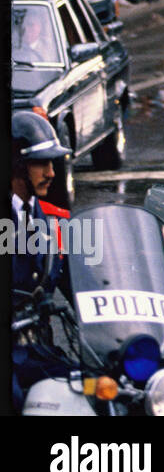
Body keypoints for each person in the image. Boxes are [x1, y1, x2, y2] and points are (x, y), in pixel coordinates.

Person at [10, 111, 74, 409]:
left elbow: (84, 289)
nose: (51, 172)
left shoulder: (54, 222)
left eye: (53, 163)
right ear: (16, 166)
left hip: (40, 354)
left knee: (95, 389)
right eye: (42, 163)